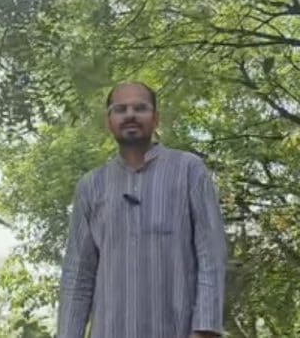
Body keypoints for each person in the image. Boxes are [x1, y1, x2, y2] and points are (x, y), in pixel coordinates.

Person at [57, 82, 226, 338]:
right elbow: (78, 273)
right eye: (120, 109)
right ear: (109, 121)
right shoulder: (91, 186)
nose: (130, 115)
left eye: (140, 108)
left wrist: (205, 330)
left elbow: (211, 255)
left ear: (155, 118)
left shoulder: (189, 170)